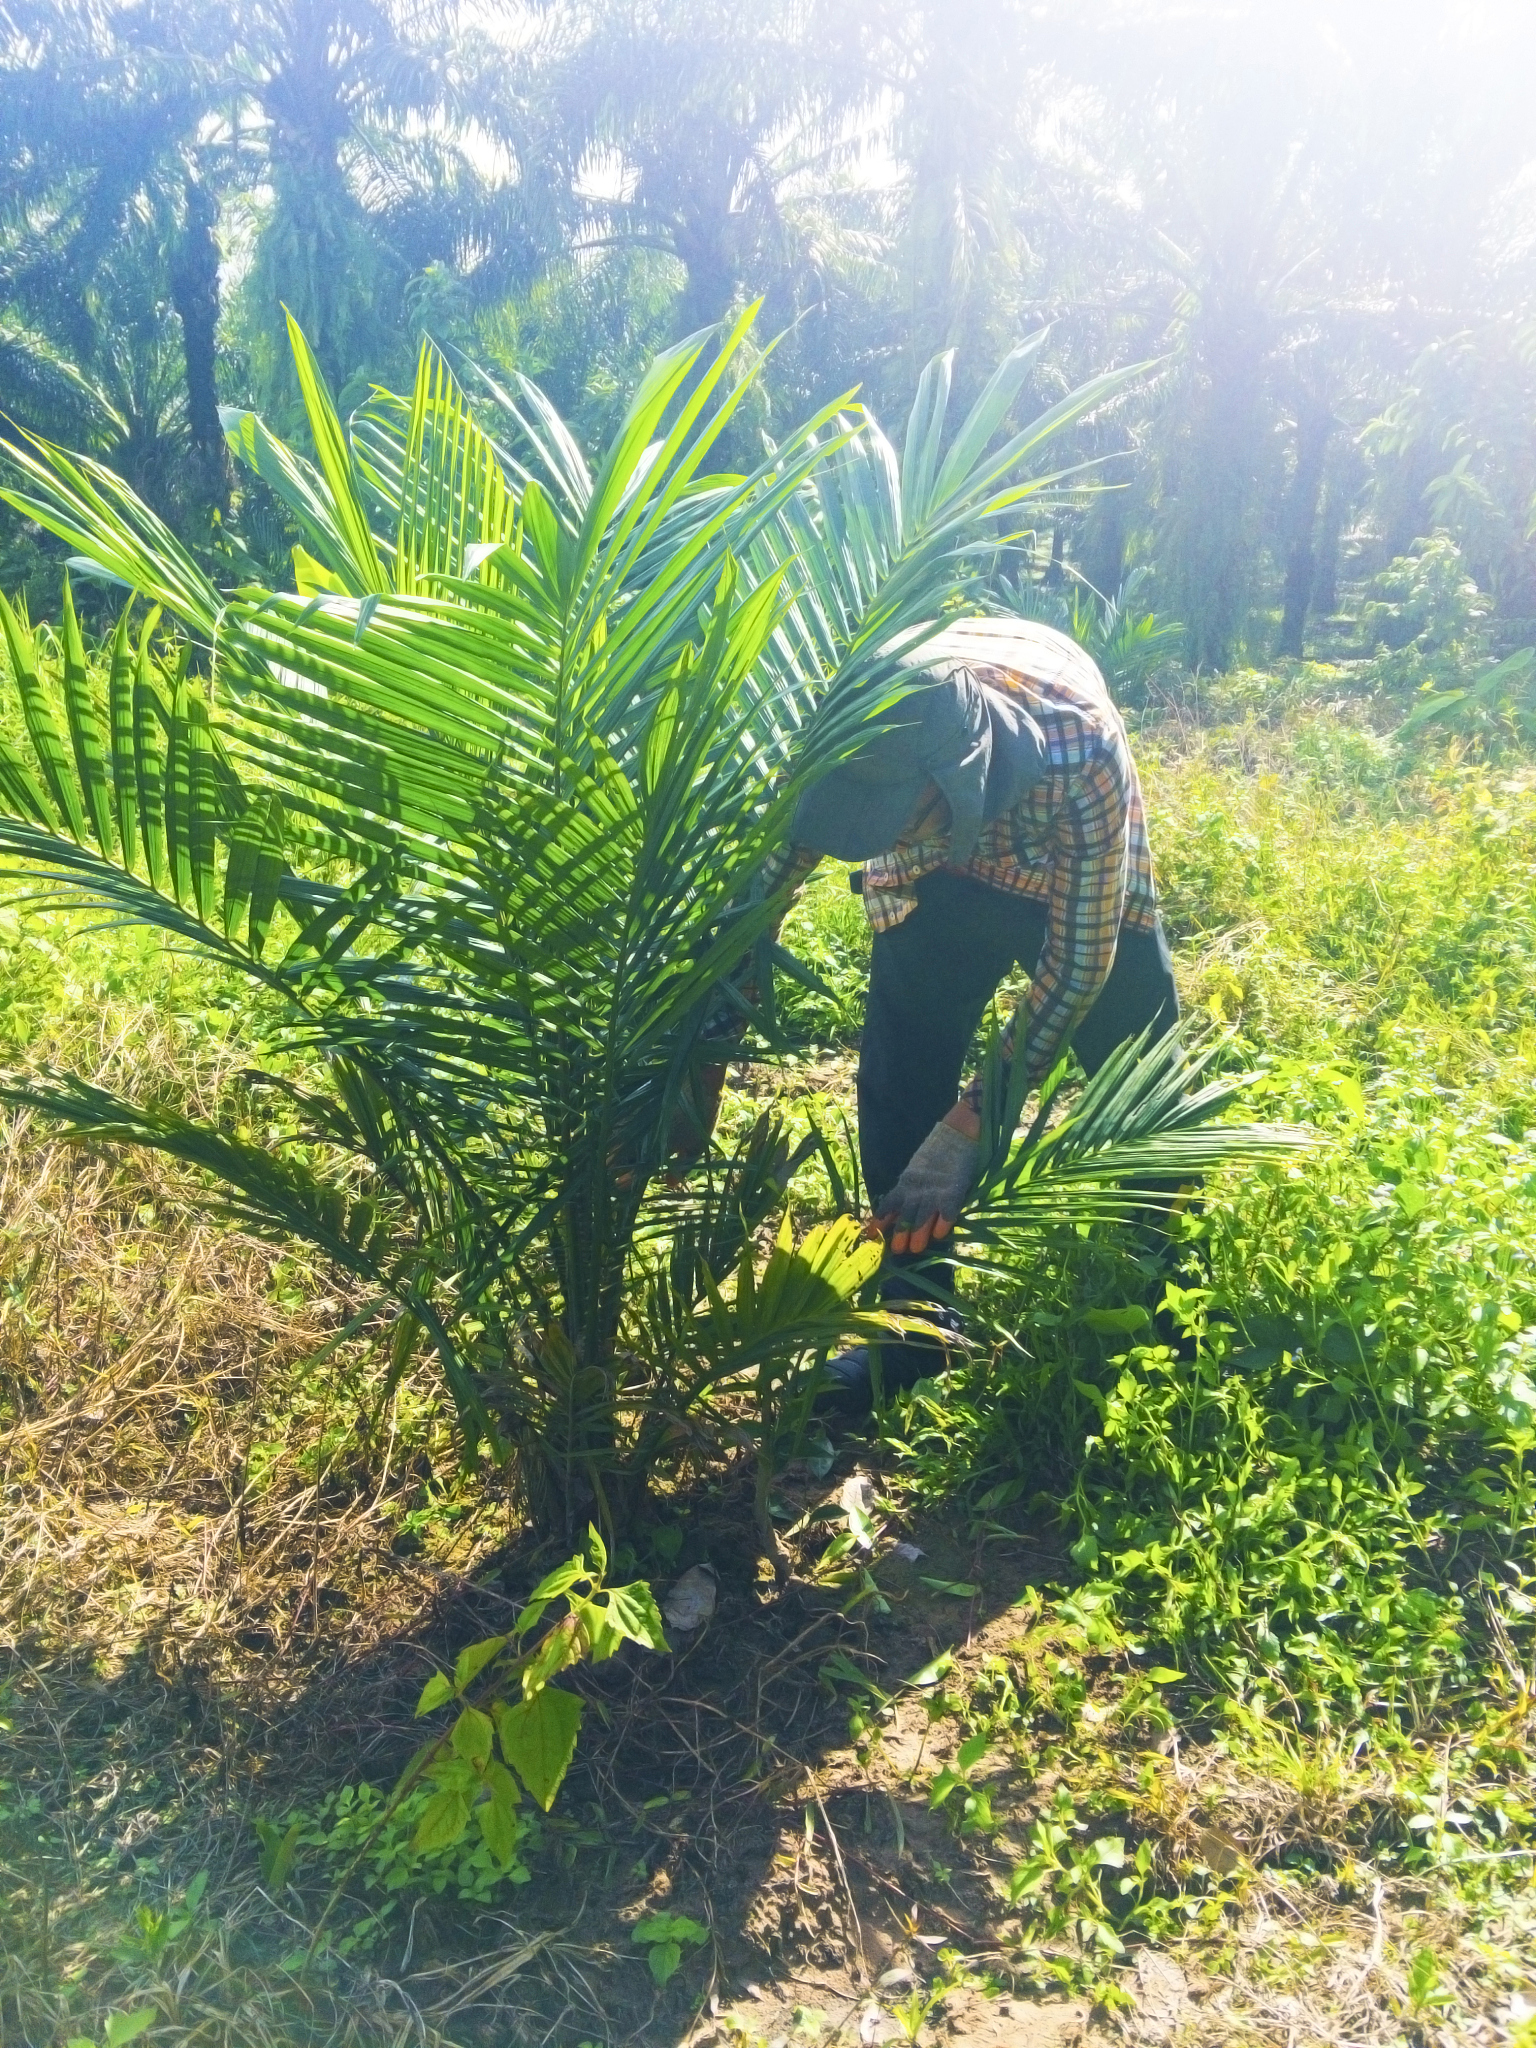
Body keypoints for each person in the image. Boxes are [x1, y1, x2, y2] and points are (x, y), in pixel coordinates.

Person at [775, 615, 1179, 1413]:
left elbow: (1075, 971)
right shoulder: (856, 732)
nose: (874, 838)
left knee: (1143, 1071)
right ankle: (916, 1334)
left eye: (895, 818)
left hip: (1066, 856)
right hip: (942, 874)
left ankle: (1166, 1302)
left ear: (951, 779)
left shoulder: (1080, 752)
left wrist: (970, 1125)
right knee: (900, 1070)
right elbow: (768, 877)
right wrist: (703, 1046)